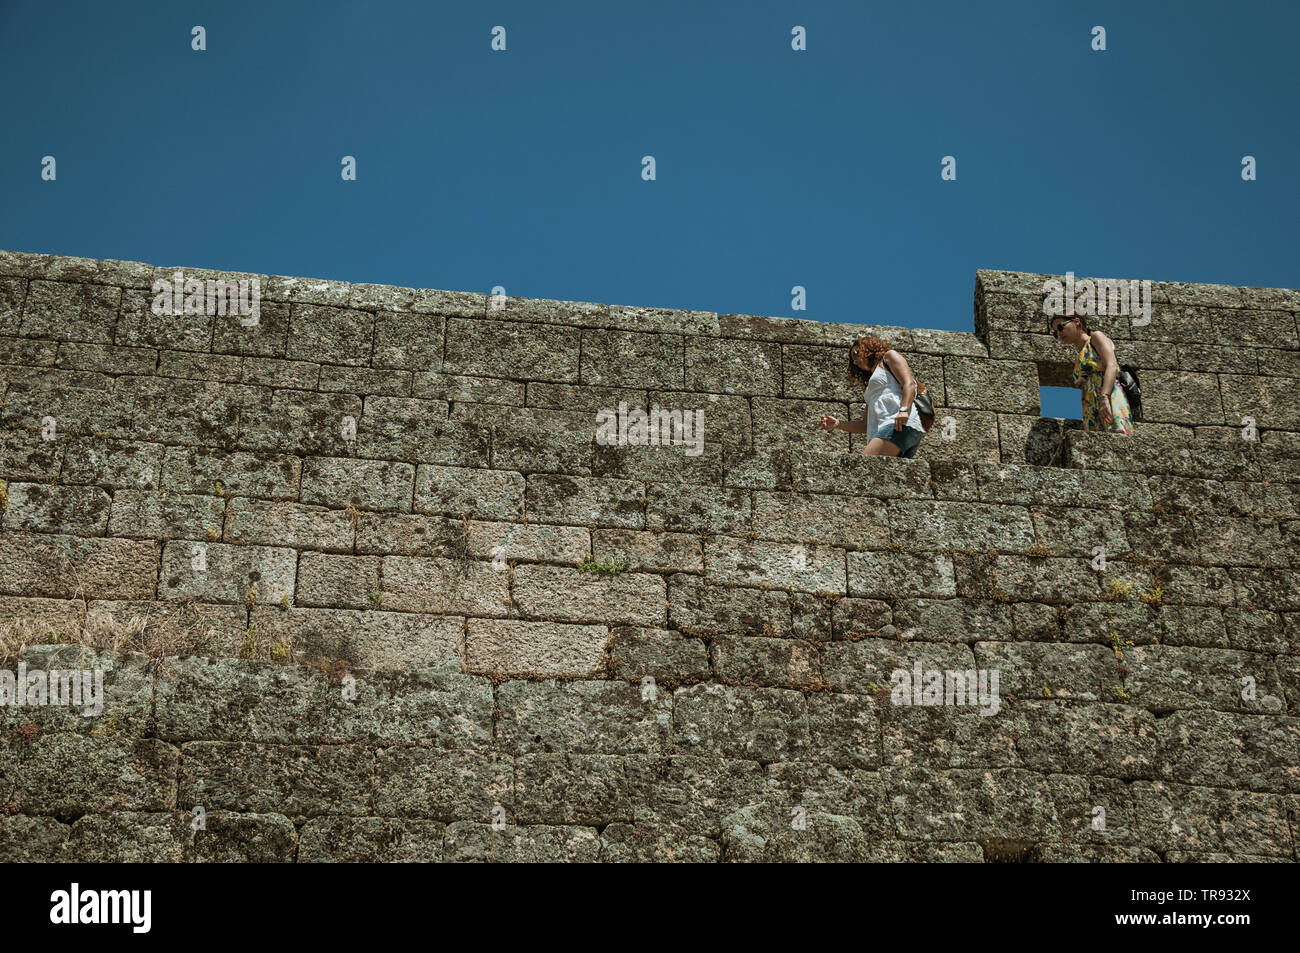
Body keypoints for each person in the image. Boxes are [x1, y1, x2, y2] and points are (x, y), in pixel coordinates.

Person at [819, 335, 926, 458]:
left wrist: (903, 410)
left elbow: (909, 384)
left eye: (856, 353)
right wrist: (838, 424)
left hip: (897, 424)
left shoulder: (889, 356)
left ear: (868, 348)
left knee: (863, 466)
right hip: (895, 428)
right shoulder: (873, 387)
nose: (855, 361)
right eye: (852, 359)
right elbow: (865, 424)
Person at [1049, 314, 1133, 435]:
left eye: (1060, 327)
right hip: (1091, 410)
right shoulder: (1080, 355)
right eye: (1055, 332)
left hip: (1109, 400)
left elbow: (1112, 366)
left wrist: (1104, 398)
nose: (1059, 334)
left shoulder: (1095, 337)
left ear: (1077, 321)